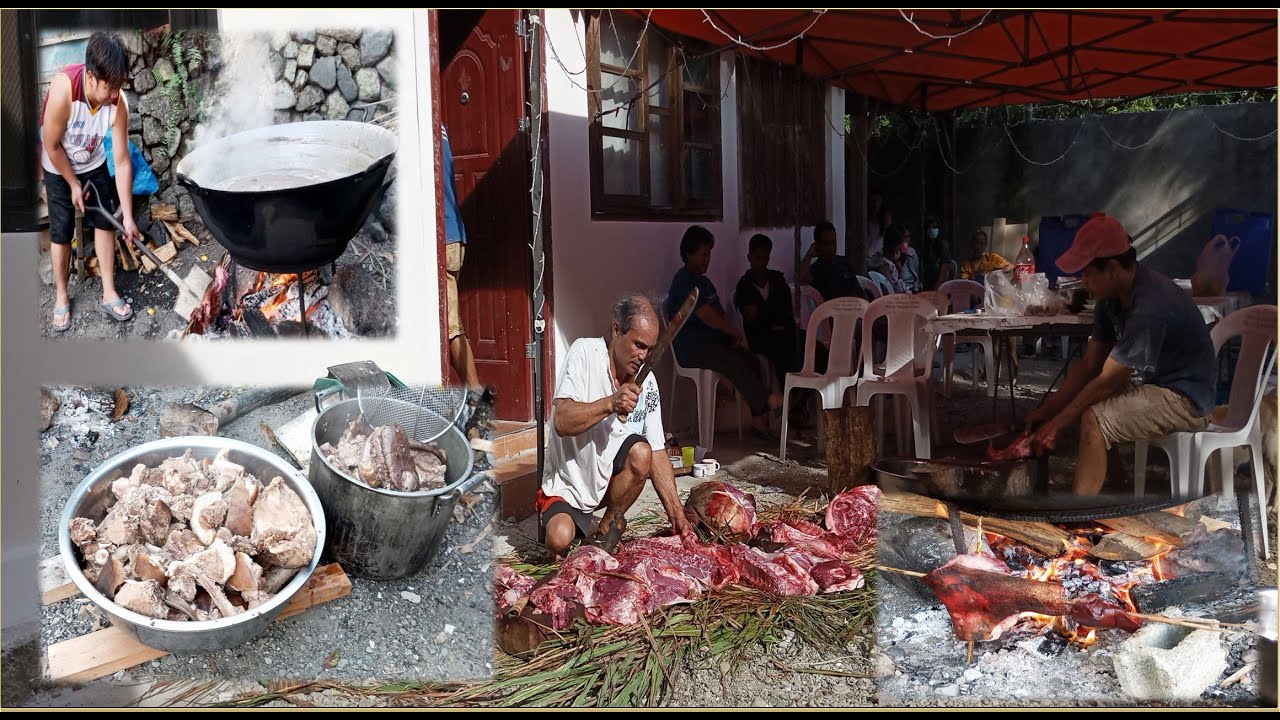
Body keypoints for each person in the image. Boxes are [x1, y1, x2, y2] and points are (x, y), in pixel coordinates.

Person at [1024, 215, 1215, 496]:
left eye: (1088, 273)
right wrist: (1046, 412)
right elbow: (1091, 365)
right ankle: (1113, 488)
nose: (1083, 281)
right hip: (1154, 386)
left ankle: (1079, 515)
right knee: (1086, 404)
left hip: (1186, 398)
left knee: (1095, 418)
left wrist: (1056, 425)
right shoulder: (1110, 299)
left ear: (1112, 268)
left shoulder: (1150, 303)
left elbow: (1109, 380)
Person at [540, 293, 693, 557]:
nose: (644, 356)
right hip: (568, 484)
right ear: (615, 331)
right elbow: (562, 421)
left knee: (642, 453)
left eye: (650, 349)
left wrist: (677, 515)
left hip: (607, 482)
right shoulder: (584, 353)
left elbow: (656, 451)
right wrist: (611, 403)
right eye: (638, 345)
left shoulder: (648, 383)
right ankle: (579, 523)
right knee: (558, 539)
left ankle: (605, 530)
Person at [41, 31, 141, 332]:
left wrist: (129, 216)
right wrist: (72, 183)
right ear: (91, 76)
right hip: (58, 164)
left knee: (104, 222)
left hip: (92, 160)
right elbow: (52, 144)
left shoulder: (117, 102)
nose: (114, 94)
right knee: (60, 230)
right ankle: (61, 296)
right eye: (110, 87)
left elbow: (122, 161)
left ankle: (108, 292)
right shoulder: (64, 91)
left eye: (118, 86)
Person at [667, 225, 783, 441]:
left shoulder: (706, 283)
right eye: (702, 255)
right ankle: (768, 400)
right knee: (732, 361)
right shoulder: (684, 280)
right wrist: (733, 331)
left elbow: (720, 316)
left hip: (713, 345)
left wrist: (731, 337)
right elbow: (707, 315)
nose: (706, 260)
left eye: (708, 255)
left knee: (750, 360)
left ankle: (758, 422)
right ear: (688, 253)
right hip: (692, 348)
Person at [441, 125, 484, 393]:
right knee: (451, 326)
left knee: (450, 329)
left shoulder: (419, 121)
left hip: (441, 239)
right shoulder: (441, 127)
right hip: (454, 236)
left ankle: (479, 402)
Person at [734, 233, 799, 390]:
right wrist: (772, 315)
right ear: (749, 257)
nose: (761, 263)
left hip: (784, 331)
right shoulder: (744, 286)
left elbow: (786, 310)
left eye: (765, 258)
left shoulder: (777, 279)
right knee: (784, 351)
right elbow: (750, 318)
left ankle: (801, 396)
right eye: (758, 258)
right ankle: (790, 399)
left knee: (813, 347)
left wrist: (763, 311)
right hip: (760, 338)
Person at [798, 220, 867, 303]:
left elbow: (859, 292)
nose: (831, 248)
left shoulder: (844, 262)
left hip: (854, 310)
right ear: (818, 245)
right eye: (827, 244)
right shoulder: (815, 270)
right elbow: (799, 279)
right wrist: (809, 254)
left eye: (833, 242)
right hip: (831, 312)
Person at [921, 216, 958, 289]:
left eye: (934, 227)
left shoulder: (943, 244)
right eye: (929, 228)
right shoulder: (925, 245)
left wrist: (937, 287)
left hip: (940, 284)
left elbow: (944, 268)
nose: (932, 230)